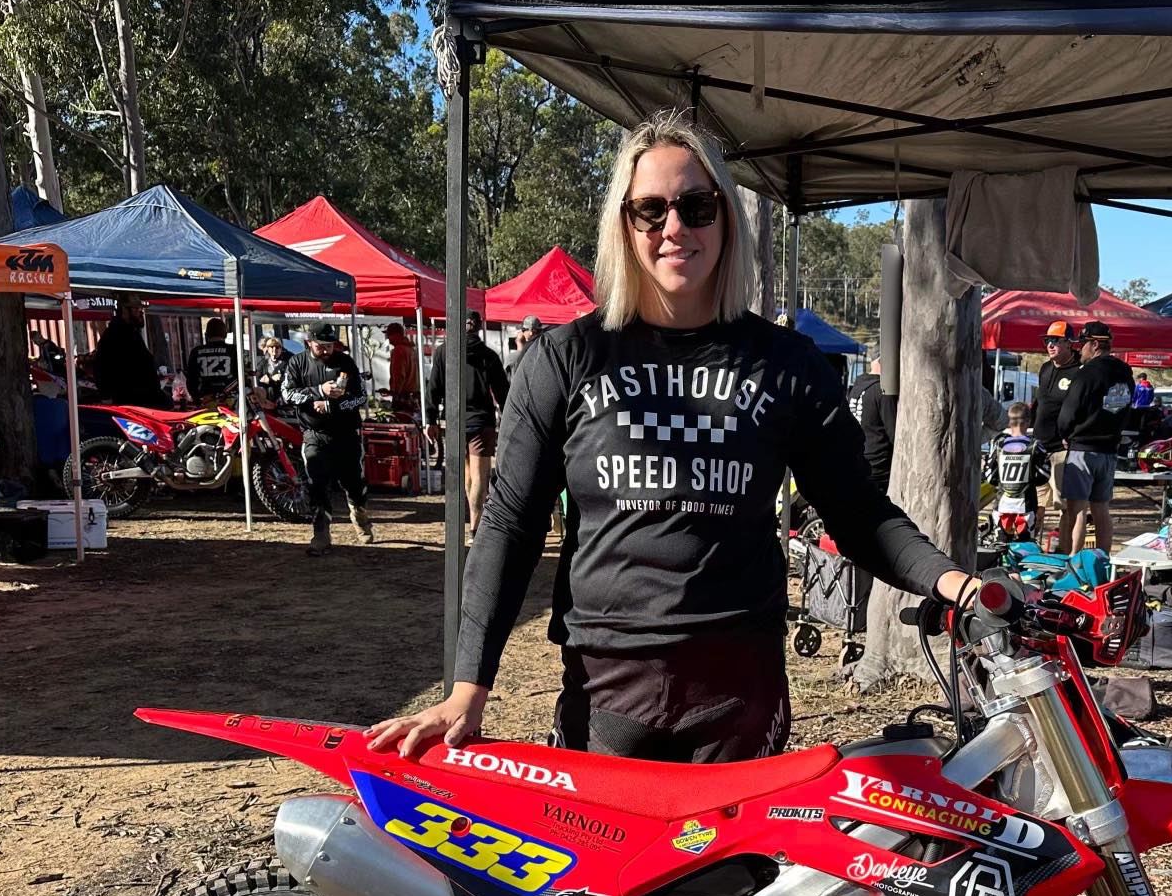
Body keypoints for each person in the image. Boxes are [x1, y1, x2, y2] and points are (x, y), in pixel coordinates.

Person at [368, 108, 974, 766]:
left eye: (696, 205)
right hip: (606, 692)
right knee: (598, 874)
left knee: (740, 874)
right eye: (650, 210)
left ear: (726, 217)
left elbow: (857, 512)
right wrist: (468, 688)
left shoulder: (788, 365)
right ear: (623, 225)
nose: (674, 228)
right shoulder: (565, 358)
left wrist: (955, 585)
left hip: (740, 696)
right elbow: (510, 526)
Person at [282, 322, 372, 554]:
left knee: (354, 483)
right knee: (316, 483)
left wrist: (334, 405)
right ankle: (320, 532)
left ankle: (359, 513)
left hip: (346, 434)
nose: (326, 350)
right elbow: (287, 394)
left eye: (330, 345)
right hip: (314, 434)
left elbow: (361, 397)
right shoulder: (297, 363)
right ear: (308, 343)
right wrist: (318, 392)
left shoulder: (345, 362)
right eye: (321, 346)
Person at [426, 309, 511, 537]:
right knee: (479, 476)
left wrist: (431, 419)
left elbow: (433, 387)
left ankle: (472, 523)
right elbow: (503, 392)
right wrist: (511, 419)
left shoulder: (444, 353)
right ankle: (476, 526)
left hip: (454, 421)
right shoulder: (488, 355)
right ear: (478, 326)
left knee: (467, 475)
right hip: (481, 421)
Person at [1052, 318, 1134, 554]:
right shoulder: (1125, 371)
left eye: (1083, 344)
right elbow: (1127, 407)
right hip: (1109, 450)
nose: (1080, 350)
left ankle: (1076, 563)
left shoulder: (1088, 373)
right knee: (1101, 509)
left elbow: (1068, 411)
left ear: (1095, 345)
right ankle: (1103, 560)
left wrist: (1065, 433)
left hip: (1083, 449)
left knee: (1077, 510)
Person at [983, 400, 1051, 546]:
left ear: (1009, 421)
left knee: (999, 546)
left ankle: (1000, 568)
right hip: (1026, 504)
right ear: (1028, 421)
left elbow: (989, 476)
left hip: (1002, 503)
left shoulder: (999, 444)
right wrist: (1031, 480)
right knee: (1025, 546)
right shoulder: (1035, 446)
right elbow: (1044, 475)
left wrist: (1000, 482)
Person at [92, 294, 168, 407]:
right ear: (125, 310)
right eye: (136, 309)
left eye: (140, 308)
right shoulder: (114, 335)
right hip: (129, 402)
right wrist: (107, 397)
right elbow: (101, 367)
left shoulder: (131, 332)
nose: (140, 312)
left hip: (142, 400)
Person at [845, 356, 897, 498]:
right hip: (878, 468)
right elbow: (895, 434)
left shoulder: (856, 387)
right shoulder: (882, 391)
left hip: (856, 462)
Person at [1031, 319, 1079, 457]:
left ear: (1069, 343)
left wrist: (1072, 435)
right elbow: (1041, 403)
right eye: (1047, 340)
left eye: (1056, 340)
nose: (1050, 345)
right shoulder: (1045, 368)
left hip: (1063, 448)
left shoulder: (1080, 370)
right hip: (1039, 446)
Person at [183, 317, 239, 406]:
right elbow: (240, 377)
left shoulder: (196, 351)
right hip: (230, 402)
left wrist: (196, 399)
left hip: (205, 400)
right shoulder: (234, 350)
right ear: (225, 334)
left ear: (206, 334)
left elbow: (191, 380)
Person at [385, 322, 420, 416]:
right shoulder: (410, 350)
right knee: (410, 426)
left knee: (400, 427)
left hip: (403, 397)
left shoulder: (399, 350)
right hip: (412, 395)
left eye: (389, 335)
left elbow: (399, 375)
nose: (387, 338)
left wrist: (395, 393)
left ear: (396, 335)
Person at [252, 335, 291, 411]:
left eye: (277, 347)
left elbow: (291, 377)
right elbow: (258, 376)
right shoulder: (264, 361)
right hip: (267, 398)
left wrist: (280, 378)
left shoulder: (288, 360)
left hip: (283, 396)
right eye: (271, 347)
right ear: (268, 349)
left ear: (281, 348)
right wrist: (270, 378)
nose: (274, 350)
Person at [508, 315, 545, 380]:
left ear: (531, 331)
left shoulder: (528, 347)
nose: (523, 332)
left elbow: (519, 373)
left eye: (523, 330)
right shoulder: (547, 343)